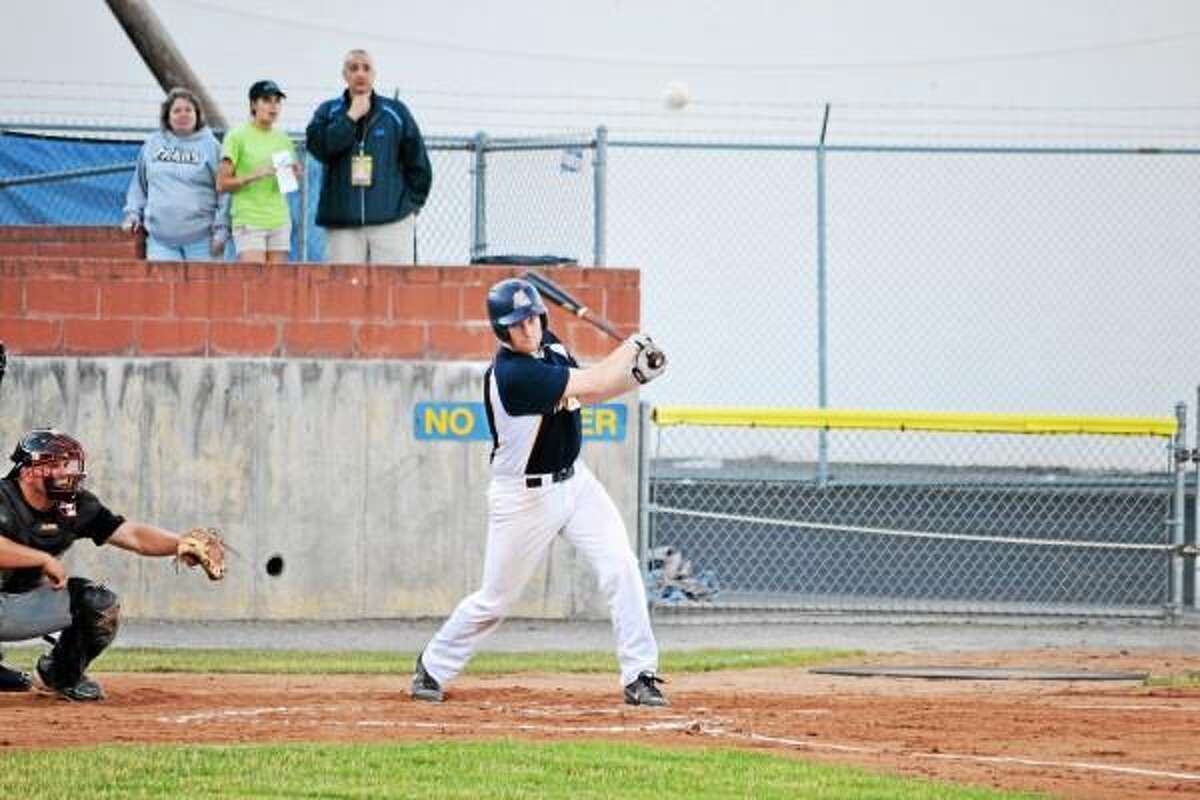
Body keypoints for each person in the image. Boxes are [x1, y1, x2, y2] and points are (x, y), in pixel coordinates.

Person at [411, 277, 670, 707]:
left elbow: (592, 392)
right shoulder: (513, 376)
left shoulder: (550, 347)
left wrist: (637, 374)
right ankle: (433, 666)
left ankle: (640, 675)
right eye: (517, 323)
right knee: (495, 600)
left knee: (621, 566)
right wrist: (631, 351)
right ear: (502, 331)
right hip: (524, 499)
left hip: (577, 483)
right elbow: (591, 381)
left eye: (532, 318)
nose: (528, 329)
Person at [0, 429, 214, 701]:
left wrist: (183, 543)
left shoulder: (74, 505)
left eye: (67, 463)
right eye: (53, 464)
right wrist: (42, 559)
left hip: (21, 604)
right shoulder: (3, 497)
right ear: (28, 472)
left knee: (99, 605)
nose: (65, 472)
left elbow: (131, 534)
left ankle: (60, 674)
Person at [305, 49, 432, 264]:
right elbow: (321, 148)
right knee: (345, 292)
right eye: (353, 68)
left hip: (391, 222)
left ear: (374, 74)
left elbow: (418, 164)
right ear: (344, 75)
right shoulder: (328, 112)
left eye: (366, 68)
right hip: (343, 225)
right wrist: (351, 116)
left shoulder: (396, 112)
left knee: (394, 290)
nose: (360, 74)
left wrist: (410, 207)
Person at [121, 87, 230, 261]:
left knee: (202, 289)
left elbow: (224, 191)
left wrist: (222, 229)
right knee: (163, 288)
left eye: (188, 110)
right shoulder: (152, 144)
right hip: (160, 240)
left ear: (197, 114)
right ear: (167, 116)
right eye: (177, 111)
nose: (183, 115)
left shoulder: (211, 146)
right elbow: (139, 186)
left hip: (203, 240)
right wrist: (133, 213)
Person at [217, 80, 301, 263]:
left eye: (277, 101)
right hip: (249, 220)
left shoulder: (284, 139)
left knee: (276, 284)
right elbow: (222, 184)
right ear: (253, 104)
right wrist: (254, 175)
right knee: (254, 284)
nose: (273, 106)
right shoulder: (236, 136)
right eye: (266, 100)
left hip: (279, 220)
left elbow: (287, 185)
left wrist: (294, 176)